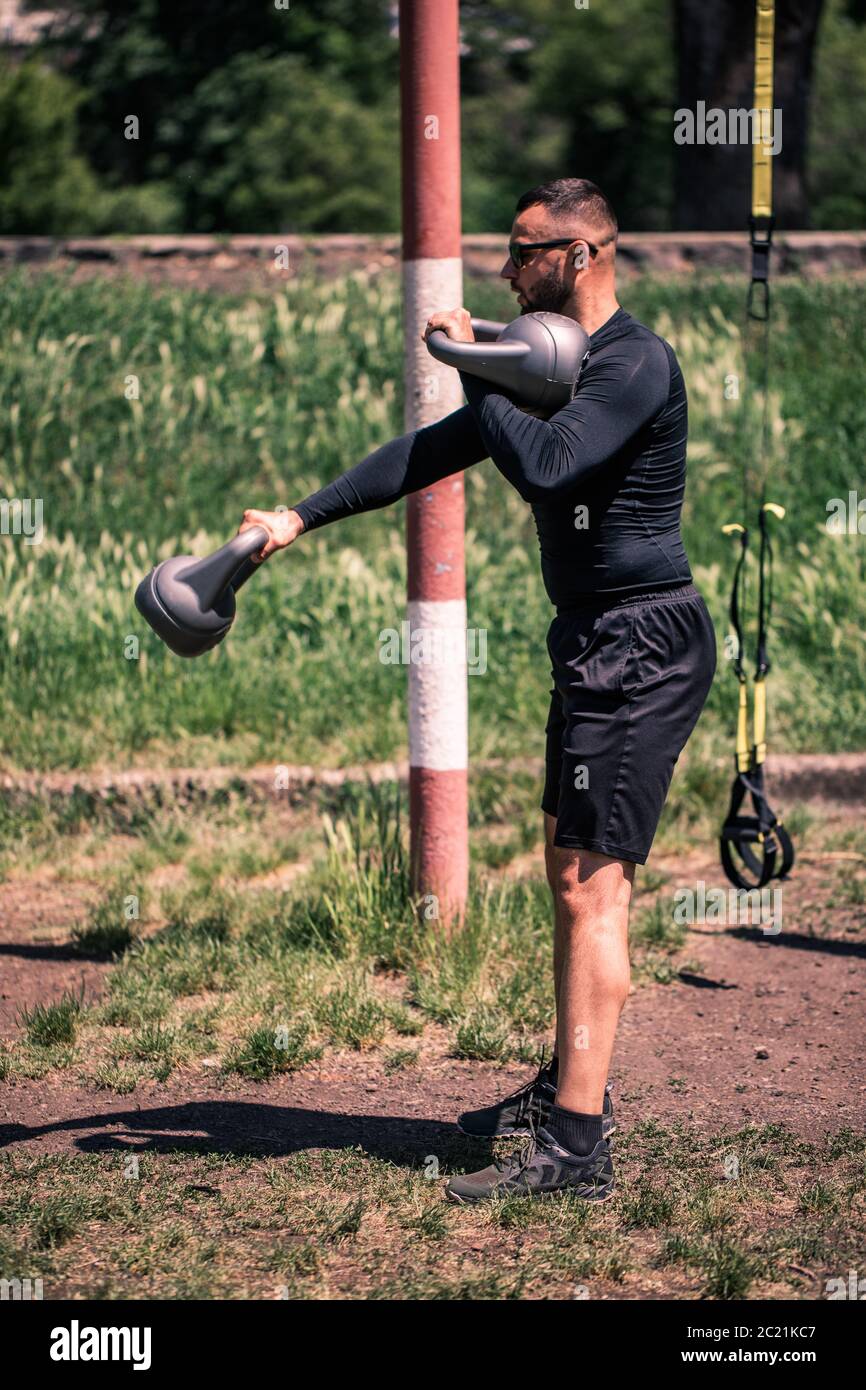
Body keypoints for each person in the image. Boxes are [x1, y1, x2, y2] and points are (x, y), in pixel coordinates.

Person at [238, 177, 717, 1204]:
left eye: (521, 252)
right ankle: (564, 1084)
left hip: (640, 642)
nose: (503, 272)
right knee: (565, 872)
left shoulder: (631, 361)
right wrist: (297, 518)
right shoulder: (554, 361)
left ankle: (576, 1150)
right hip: (591, 639)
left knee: (596, 889)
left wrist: (466, 363)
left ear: (578, 257)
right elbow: (430, 454)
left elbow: (548, 466)